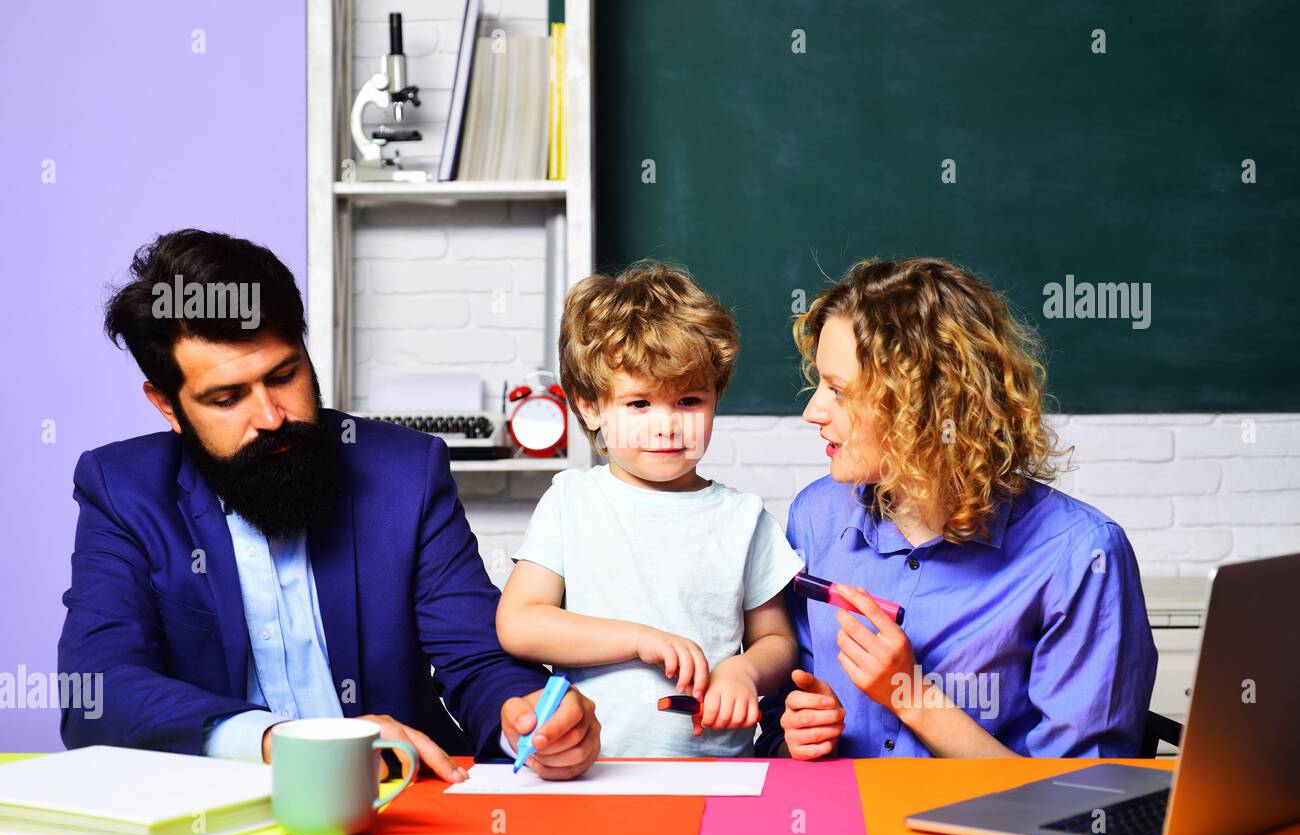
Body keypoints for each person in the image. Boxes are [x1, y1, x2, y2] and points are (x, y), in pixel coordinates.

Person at [58, 229, 600, 781]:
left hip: (400, 806)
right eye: (226, 398)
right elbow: (98, 692)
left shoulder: (405, 473)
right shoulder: (122, 489)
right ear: (167, 406)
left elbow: (478, 656)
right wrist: (289, 743)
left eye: (284, 375)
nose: (271, 417)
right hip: (214, 815)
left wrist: (529, 718)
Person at [757, 258, 1157, 759]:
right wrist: (798, 731)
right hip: (839, 824)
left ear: (922, 402)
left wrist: (911, 696)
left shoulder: (1082, 556)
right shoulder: (816, 517)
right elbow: (776, 726)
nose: (812, 411)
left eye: (839, 390)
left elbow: (1083, 799)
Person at [495, 262, 804, 756]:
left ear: (715, 400)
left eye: (688, 400)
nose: (666, 426)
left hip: (719, 771)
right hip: (591, 768)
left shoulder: (744, 518)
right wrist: (637, 639)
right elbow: (519, 623)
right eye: (639, 404)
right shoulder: (572, 501)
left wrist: (743, 670)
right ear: (591, 407)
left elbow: (778, 641)